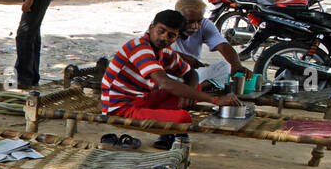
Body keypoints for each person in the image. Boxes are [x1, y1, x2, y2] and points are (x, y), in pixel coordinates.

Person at [101, 10, 241, 146]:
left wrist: (189, 94)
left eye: (171, 35)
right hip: (120, 107)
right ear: (151, 27)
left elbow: (190, 73)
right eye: (161, 31)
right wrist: (215, 100)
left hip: (143, 99)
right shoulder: (139, 47)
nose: (164, 38)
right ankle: (167, 121)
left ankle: (165, 117)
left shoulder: (164, 51)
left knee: (194, 88)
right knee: (183, 118)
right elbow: (165, 82)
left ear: (177, 37)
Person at [173, 0, 248, 91]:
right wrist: (182, 58)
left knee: (225, 67)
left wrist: (236, 65)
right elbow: (154, 50)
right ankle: (195, 89)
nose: (195, 26)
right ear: (178, 17)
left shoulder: (205, 24)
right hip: (168, 72)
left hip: (192, 73)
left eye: (199, 21)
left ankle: (194, 88)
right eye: (190, 22)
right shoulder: (164, 24)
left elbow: (223, 45)